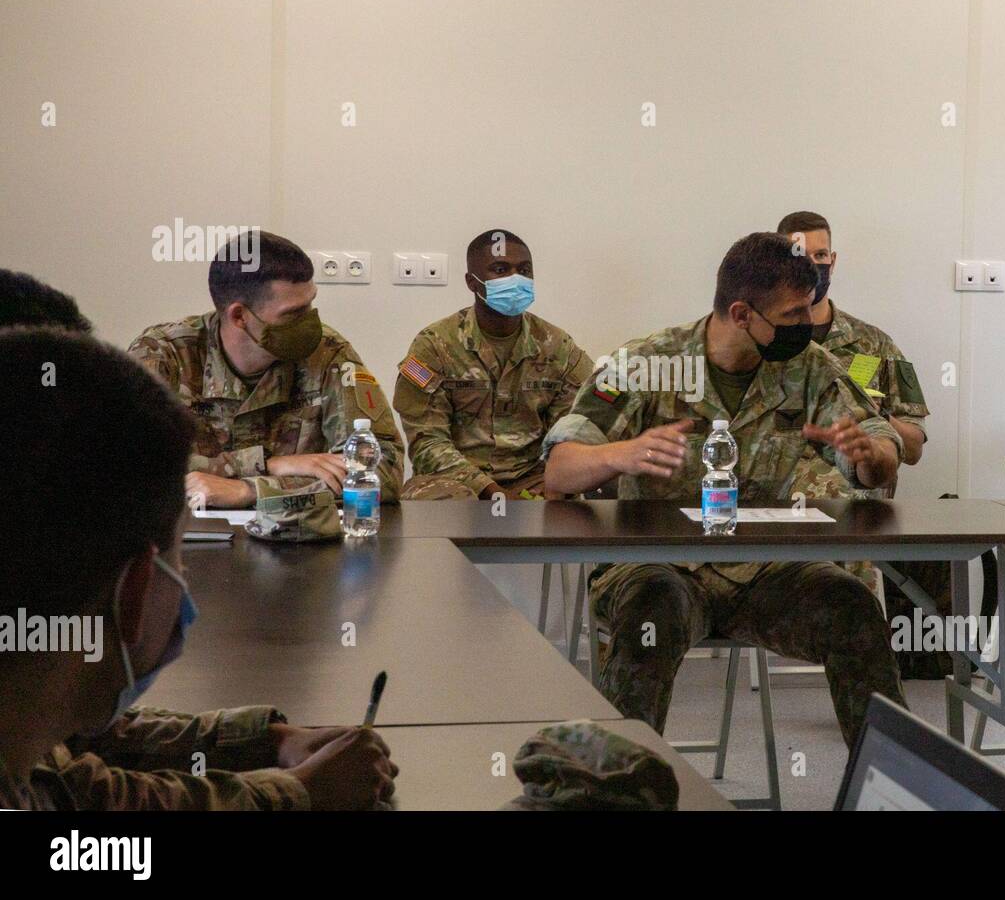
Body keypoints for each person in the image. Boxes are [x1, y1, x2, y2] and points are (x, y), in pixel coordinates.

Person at [0, 328, 398, 809]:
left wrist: (268, 741)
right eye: (180, 557)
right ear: (137, 593)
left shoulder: (28, 712)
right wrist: (298, 795)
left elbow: (84, 763)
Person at [542, 232, 907, 748]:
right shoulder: (647, 363)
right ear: (741, 314)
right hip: (658, 566)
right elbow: (558, 472)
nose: (805, 326)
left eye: (808, 310)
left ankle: (892, 788)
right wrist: (618, 454)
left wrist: (872, 458)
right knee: (651, 614)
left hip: (765, 572)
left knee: (853, 609)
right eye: (792, 316)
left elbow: (880, 443)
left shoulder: (808, 369)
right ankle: (621, 791)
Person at [128, 230, 404, 508]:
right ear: (239, 316)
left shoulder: (327, 353)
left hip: (301, 540)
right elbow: (126, 468)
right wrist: (269, 465)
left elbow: (382, 470)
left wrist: (252, 490)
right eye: (293, 313)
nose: (310, 322)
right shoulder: (164, 354)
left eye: (311, 305)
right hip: (190, 540)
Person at [393, 229, 592, 500]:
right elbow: (426, 442)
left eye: (524, 270)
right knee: (439, 502)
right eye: (500, 269)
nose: (515, 279)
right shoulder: (435, 345)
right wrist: (489, 490)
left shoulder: (557, 346)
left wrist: (552, 481)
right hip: (455, 480)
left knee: (568, 503)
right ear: (472, 282)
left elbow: (573, 429)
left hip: (533, 477)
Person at [776, 211, 928, 478]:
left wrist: (876, 417)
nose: (812, 266)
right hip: (771, 510)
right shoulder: (761, 341)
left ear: (832, 262)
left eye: (820, 256)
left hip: (856, 513)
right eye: (800, 255)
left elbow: (915, 449)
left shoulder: (876, 345)